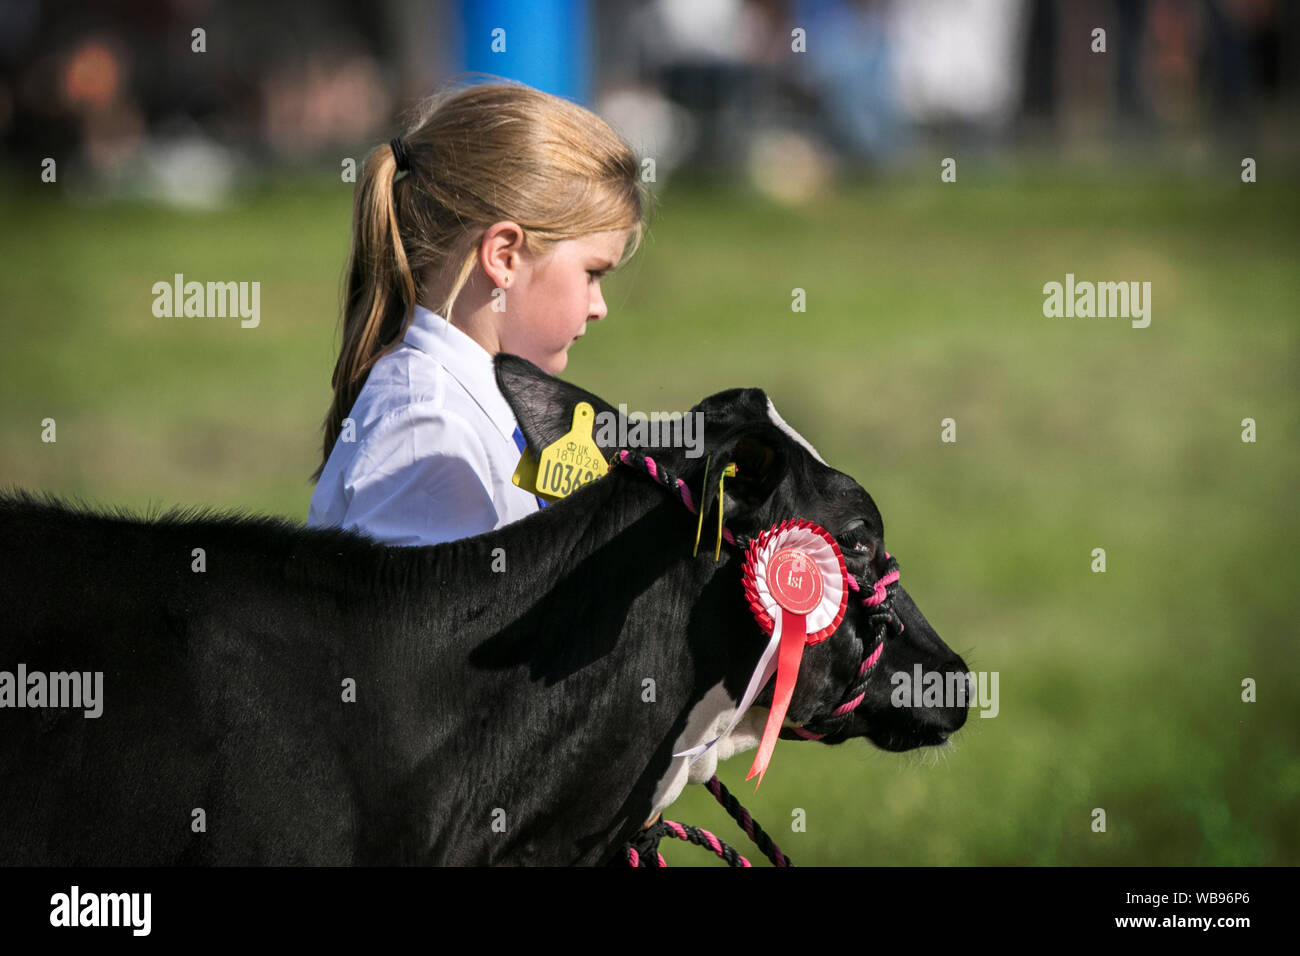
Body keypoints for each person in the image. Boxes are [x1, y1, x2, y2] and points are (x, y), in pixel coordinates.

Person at [308, 80, 648, 546]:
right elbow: (424, 619)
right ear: (504, 257)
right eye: (592, 273)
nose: (599, 307)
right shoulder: (430, 433)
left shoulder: (470, 405)